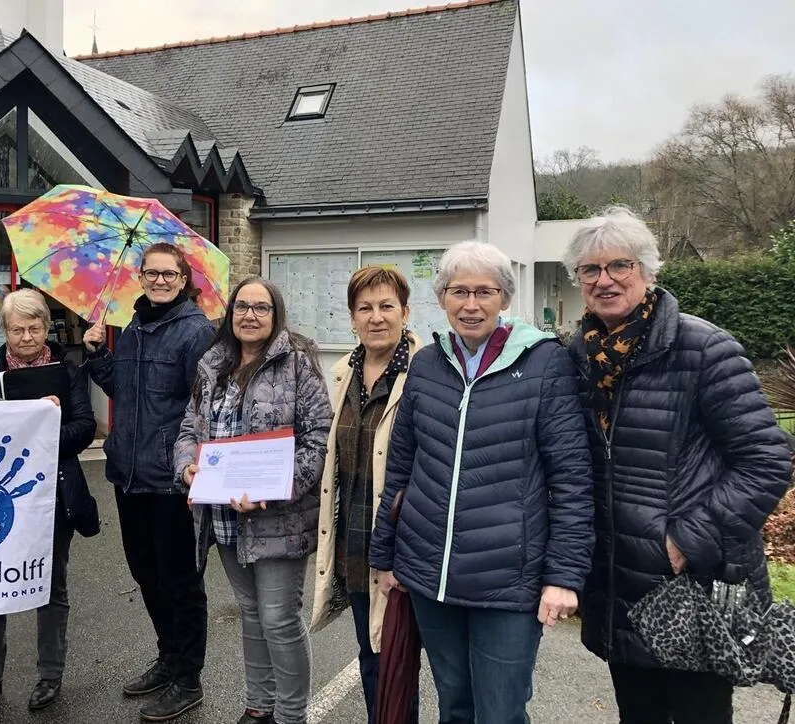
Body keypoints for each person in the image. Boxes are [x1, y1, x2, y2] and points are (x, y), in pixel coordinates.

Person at [561, 206, 792, 724]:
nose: (605, 280)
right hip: (620, 585)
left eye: (619, 265)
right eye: (590, 270)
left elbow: (767, 456)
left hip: (693, 586)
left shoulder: (703, 347)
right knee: (637, 714)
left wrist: (688, 540)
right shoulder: (579, 358)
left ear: (647, 270)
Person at [368, 241, 594, 724]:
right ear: (443, 298)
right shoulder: (427, 364)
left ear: (504, 298)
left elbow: (572, 478)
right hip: (431, 576)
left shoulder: (543, 363)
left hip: (507, 582)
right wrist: (386, 558)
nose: (471, 305)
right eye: (459, 292)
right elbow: (401, 468)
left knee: (500, 712)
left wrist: (563, 576)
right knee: (454, 705)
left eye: (485, 292)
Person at [175, 277, 332, 724]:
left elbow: (318, 440)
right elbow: (190, 427)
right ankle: (259, 704)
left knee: (279, 616)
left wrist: (274, 488)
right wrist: (187, 466)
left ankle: (290, 714)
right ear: (230, 313)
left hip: (277, 516)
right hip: (223, 515)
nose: (249, 315)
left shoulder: (298, 363)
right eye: (241, 306)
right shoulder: (213, 364)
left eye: (260, 308)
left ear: (275, 314)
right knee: (250, 612)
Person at [82, 242, 215, 722]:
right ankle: (167, 659)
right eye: (151, 273)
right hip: (127, 474)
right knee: (146, 575)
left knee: (181, 582)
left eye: (169, 274)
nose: (159, 281)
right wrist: (96, 353)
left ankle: (188, 677)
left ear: (184, 279)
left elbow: (203, 408)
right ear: (139, 277)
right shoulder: (134, 328)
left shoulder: (197, 332)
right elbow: (122, 388)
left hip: (169, 480)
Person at [0, 289, 99, 718]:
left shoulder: (69, 372)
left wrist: (44, 425)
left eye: (34, 328)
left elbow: (85, 429)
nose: (26, 336)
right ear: (4, 330)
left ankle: (50, 675)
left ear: (47, 328)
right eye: (17, 329)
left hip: (53, 493)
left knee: (51, 587)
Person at [308, 266, 423, 724]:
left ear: (405, 312)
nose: (376, 317)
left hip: (411, 549)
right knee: (374, 657)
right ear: (353, 318)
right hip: (357, 545)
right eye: (365, 308)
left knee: (402, 662)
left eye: (386, 306)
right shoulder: (341, 375)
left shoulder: (426, 374)